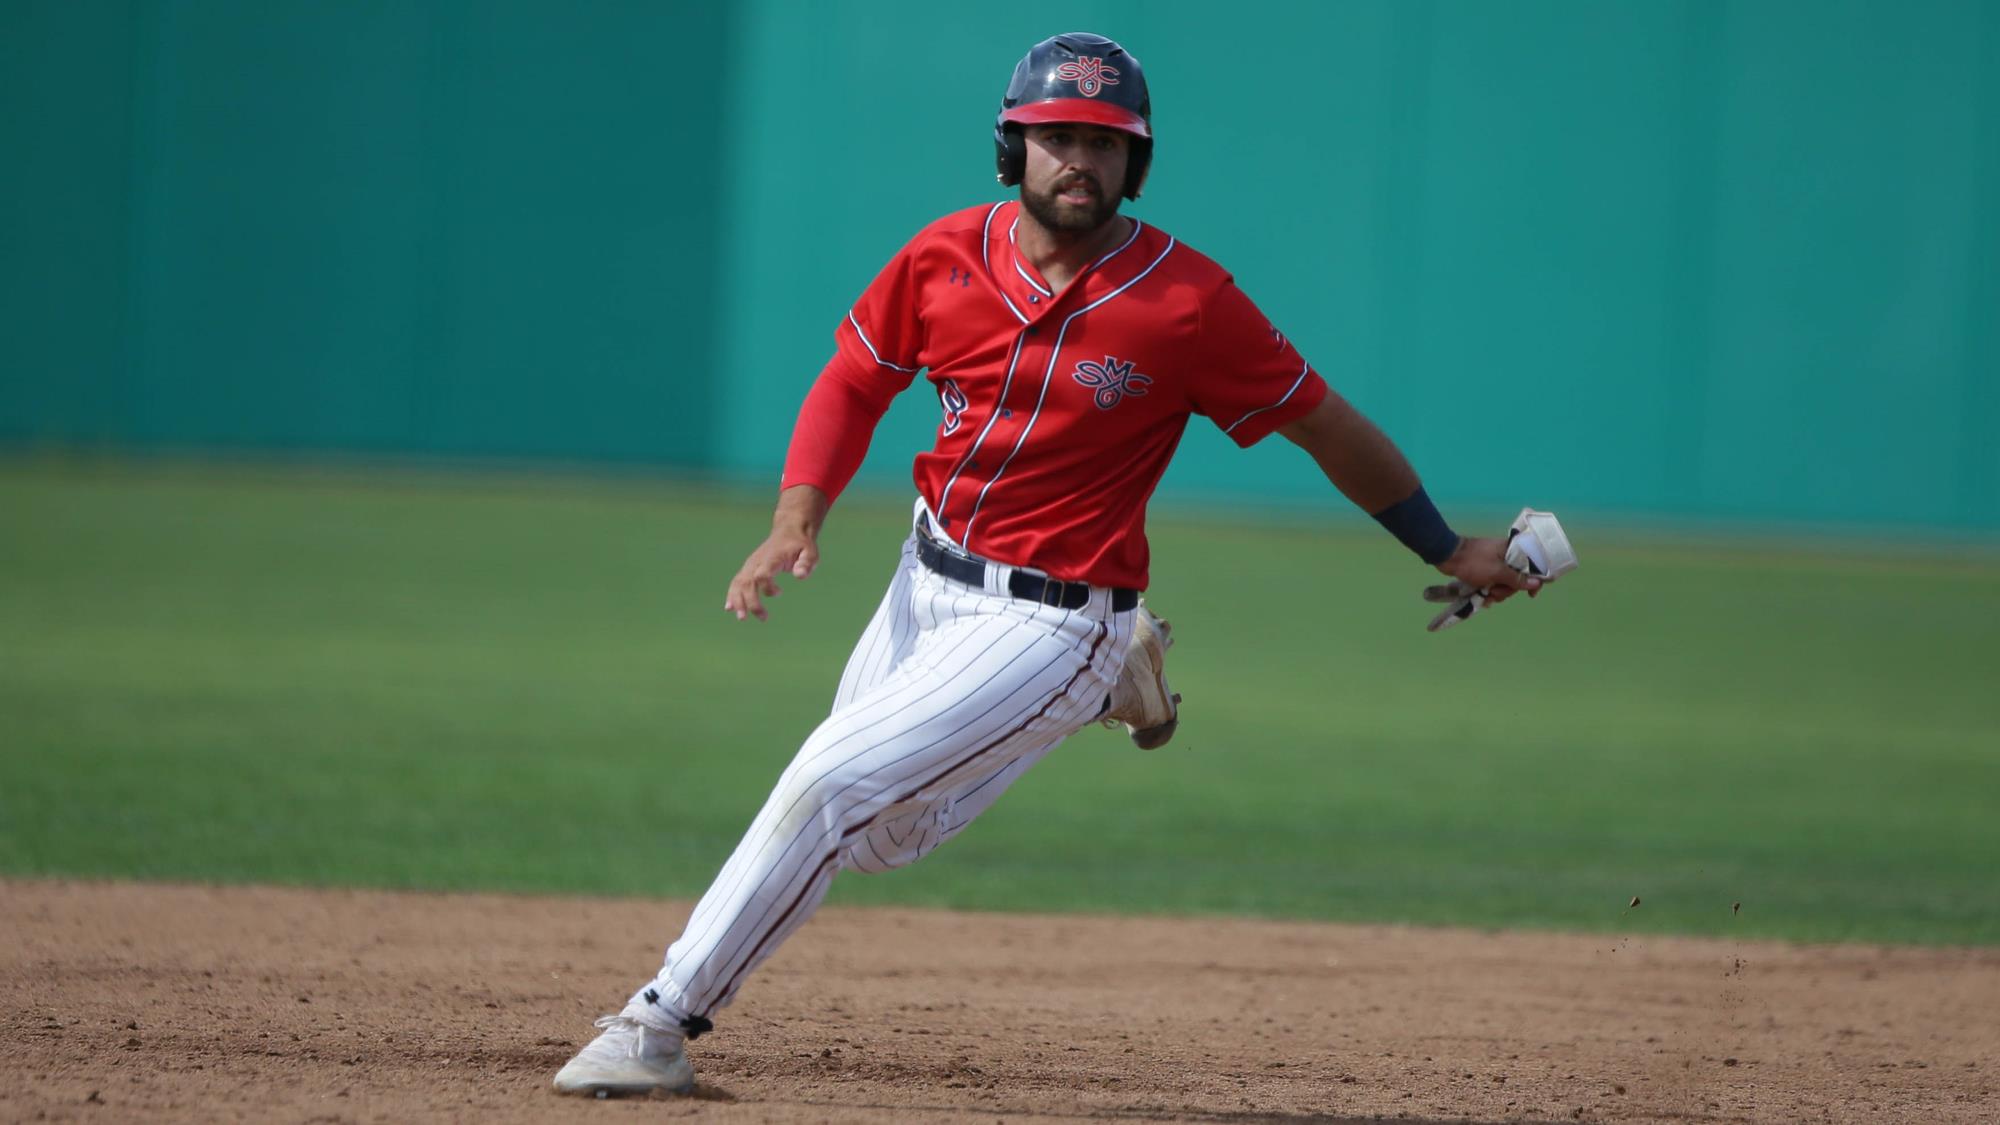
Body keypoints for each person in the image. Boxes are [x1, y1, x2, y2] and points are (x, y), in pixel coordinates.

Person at [552, 31, 1539, 1097]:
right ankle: (1121, 683)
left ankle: (657, 1023)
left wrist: (1448, 546)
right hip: (922, 581)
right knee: (878, 839)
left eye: (1106, 143)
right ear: (1011, 148)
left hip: (1055, 618)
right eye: (1056, 136)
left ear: (1135, 163)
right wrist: (796, 518)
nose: (1080, 159)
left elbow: (1324, 425)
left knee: (829, 783)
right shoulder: (942, 256)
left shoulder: (1186, 303)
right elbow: (852, 380)